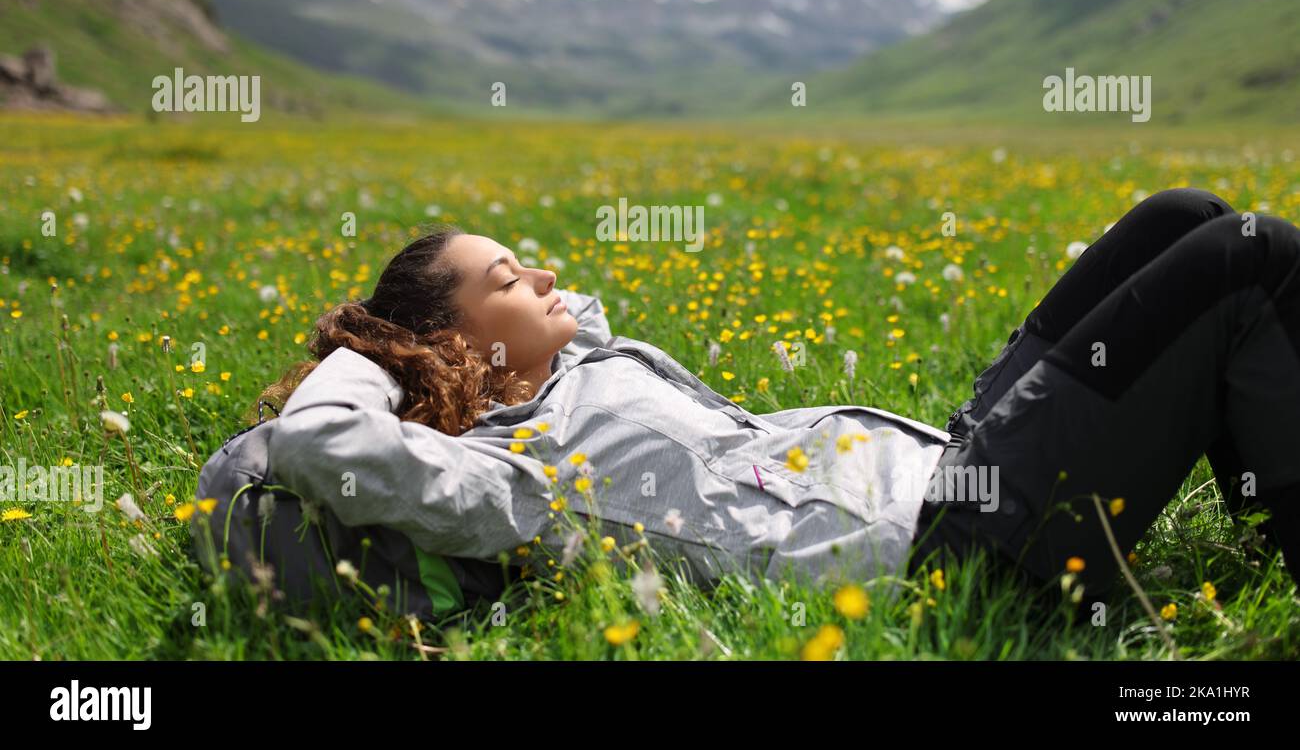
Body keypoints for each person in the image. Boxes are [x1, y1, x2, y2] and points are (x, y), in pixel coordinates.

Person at [258, 187, 1300, 607]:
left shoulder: (574, 368)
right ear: (445, 341)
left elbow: (574, 307)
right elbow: (322, 447)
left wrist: (499, 317)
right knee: (1248, 257)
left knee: (1182, 215)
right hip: (964, 543)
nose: (540, 277)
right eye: (506, 277)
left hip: (959, 457)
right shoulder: (504, 471)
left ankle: (1260, 496)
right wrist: (375, 347)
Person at [909, 186, 1300, 598]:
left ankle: (1266, 536)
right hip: (946, 522)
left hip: (932, 456)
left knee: (1184, 217)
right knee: (1260, 254)